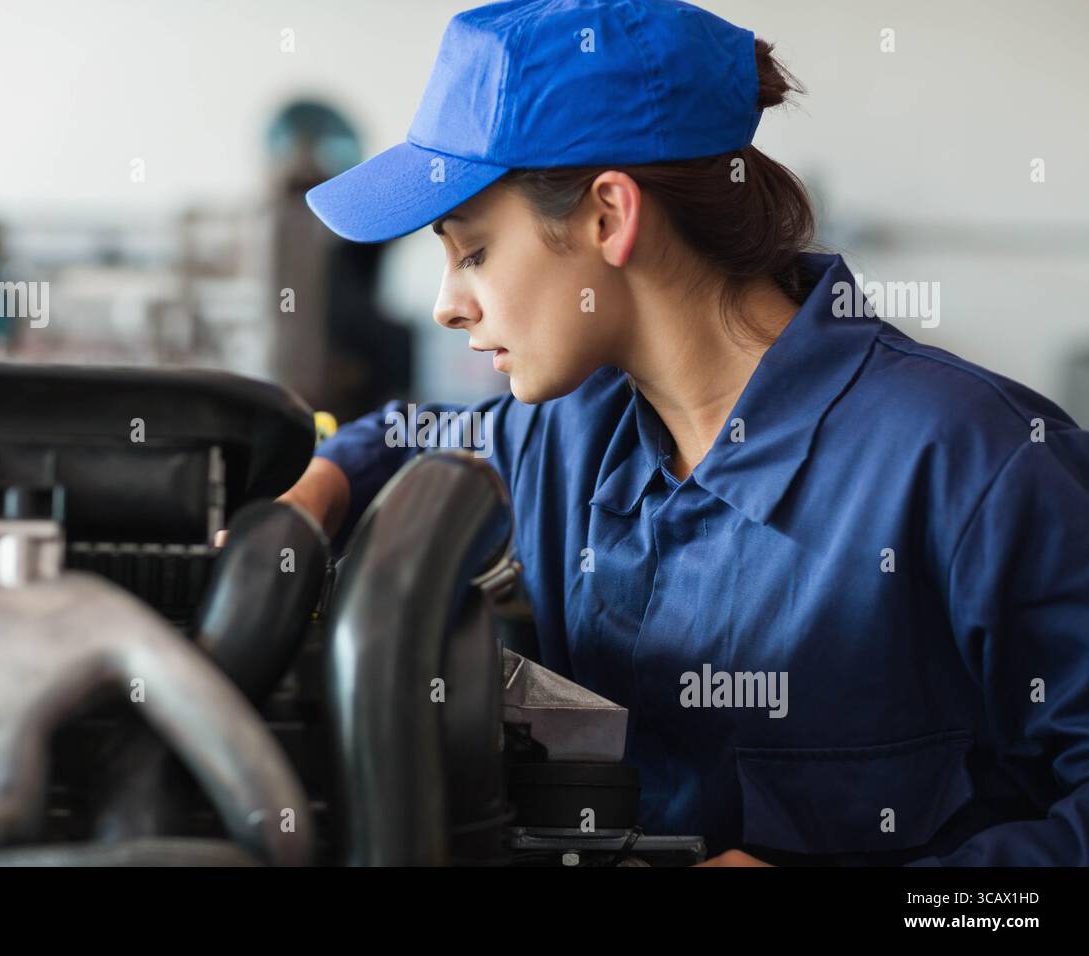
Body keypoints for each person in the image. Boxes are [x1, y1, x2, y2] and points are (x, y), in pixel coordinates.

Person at [281, 0, 1089, 865]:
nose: (448, 304)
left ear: (608, 217)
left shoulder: (975, 464)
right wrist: (309, 495)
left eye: (472, 251)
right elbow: (410, 438)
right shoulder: (564, 438)